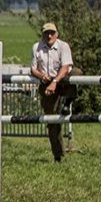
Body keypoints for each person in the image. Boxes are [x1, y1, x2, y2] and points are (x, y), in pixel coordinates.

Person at [30, 22, 78, 162]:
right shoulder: (36, 47)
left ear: (57, 34)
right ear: (43, 34)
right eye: (46, 33)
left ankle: (68, 101)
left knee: (76, 73)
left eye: (51, 33)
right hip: (46, 82)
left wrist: (55, 82)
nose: (49, 35)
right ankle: (58, 155)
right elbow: (33, 68)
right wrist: (41, 76)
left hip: (62, 80)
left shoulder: (63, 46)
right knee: (52, 121)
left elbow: (66, 66)